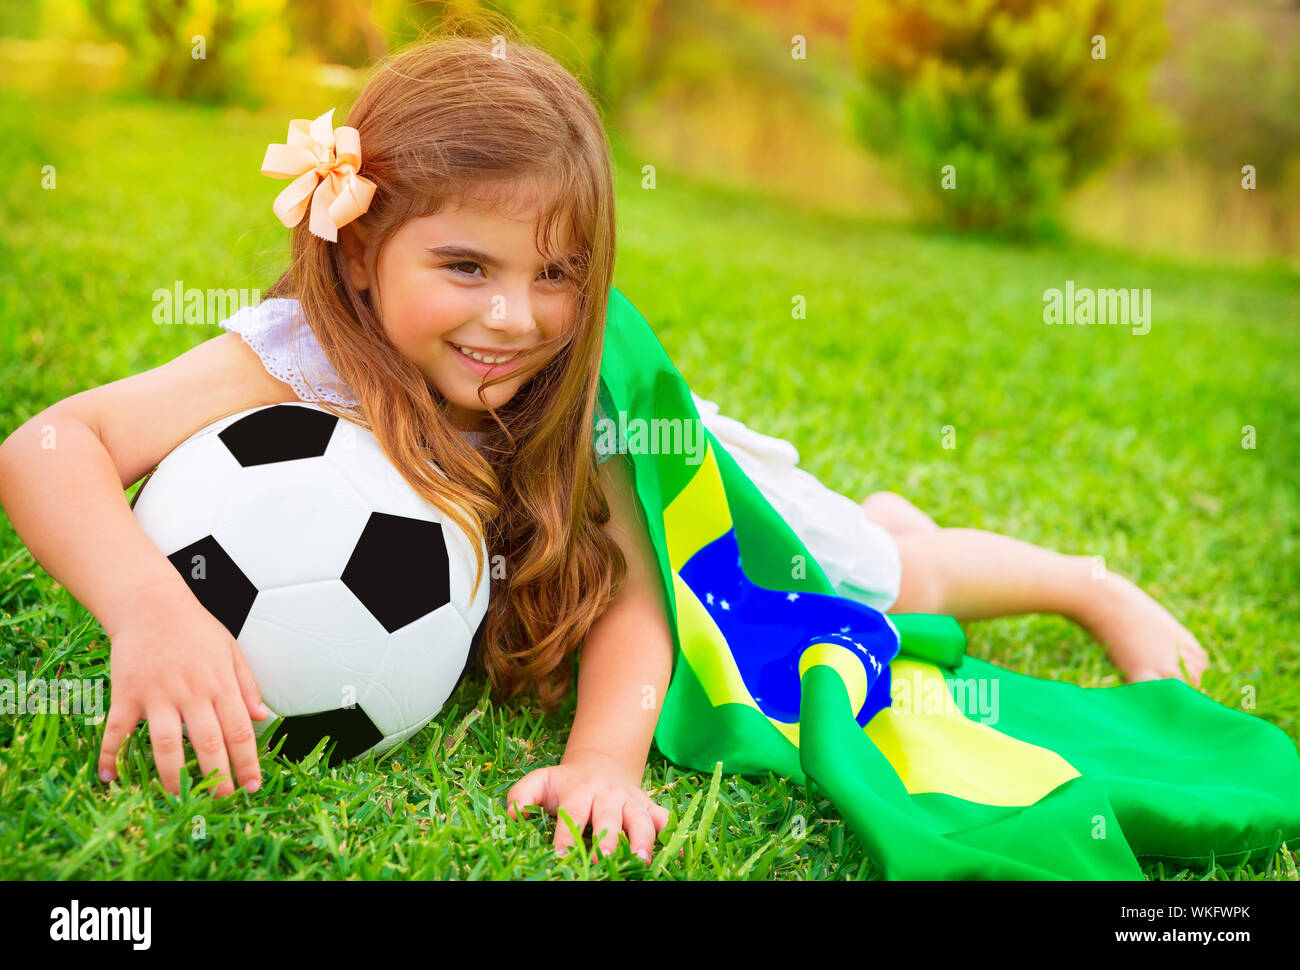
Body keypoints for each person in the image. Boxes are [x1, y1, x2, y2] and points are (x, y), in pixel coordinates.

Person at [0, 30, 1206, 867]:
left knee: (875, 575)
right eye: (464, 266)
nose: (513, 318)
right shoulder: (300, 349)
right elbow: (55, 442)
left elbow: (636, 595)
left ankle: (1082, 582)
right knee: (878, 548)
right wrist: (150, 612)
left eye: (557, 274)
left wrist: (604, 762)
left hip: (693, 479)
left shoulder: (586, 392)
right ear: (361, 251)